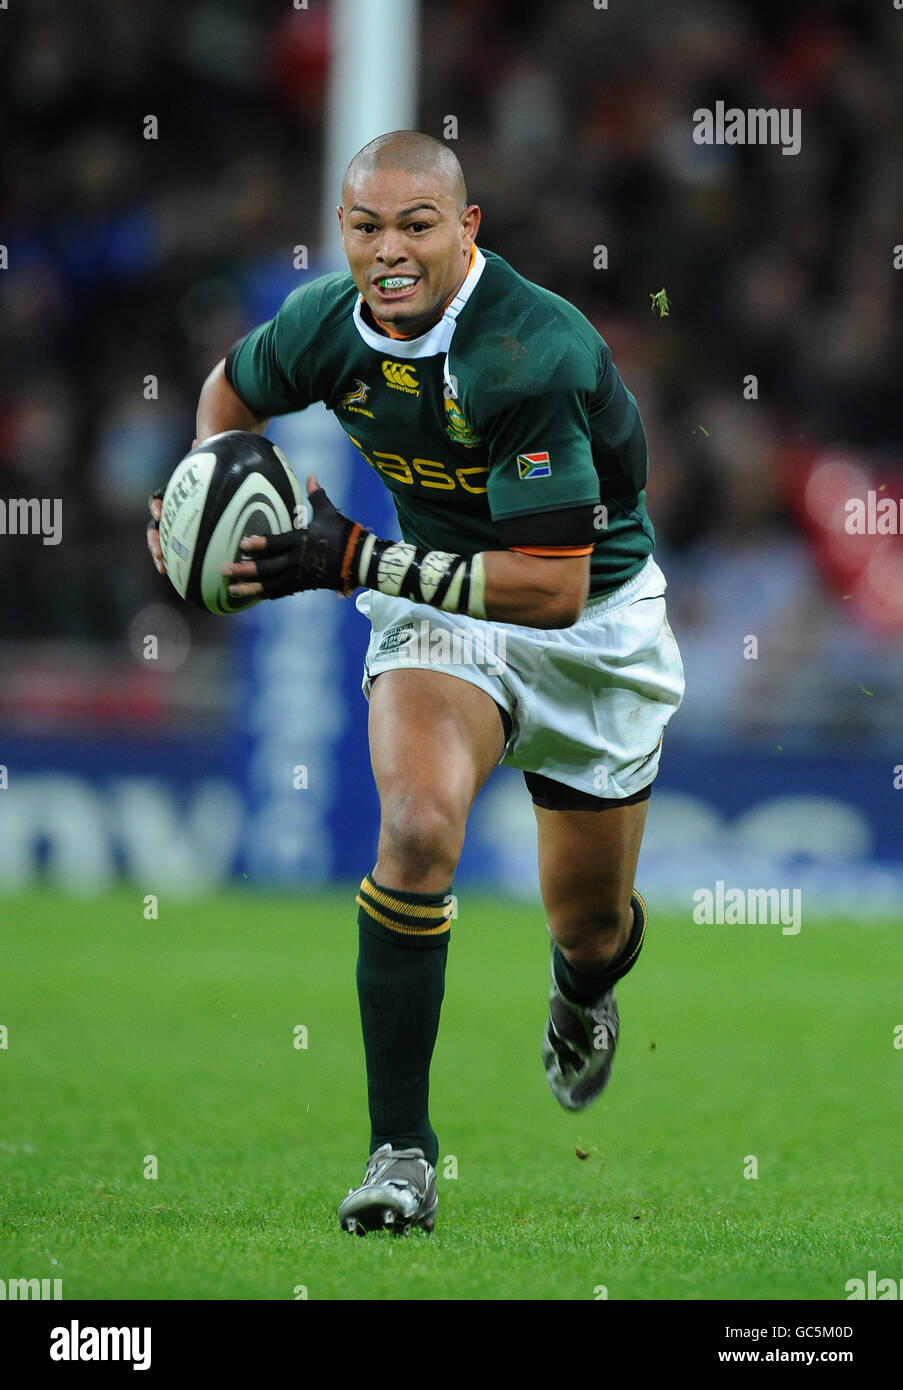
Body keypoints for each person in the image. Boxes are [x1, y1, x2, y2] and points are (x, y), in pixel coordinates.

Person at [147, 130, 685, 1236]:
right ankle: (401, 1152)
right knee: (418, 829)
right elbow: (225, 395)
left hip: (595, 629)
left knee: (589, 927)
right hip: (441, 616)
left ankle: (582, 998)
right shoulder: (322, 325)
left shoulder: (530, 350)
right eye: (364, 226)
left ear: (466, 228)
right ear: (341, 232)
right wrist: (208, 496)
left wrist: (352, 560)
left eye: (416, 224)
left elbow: (551, 588)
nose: (387, 250)